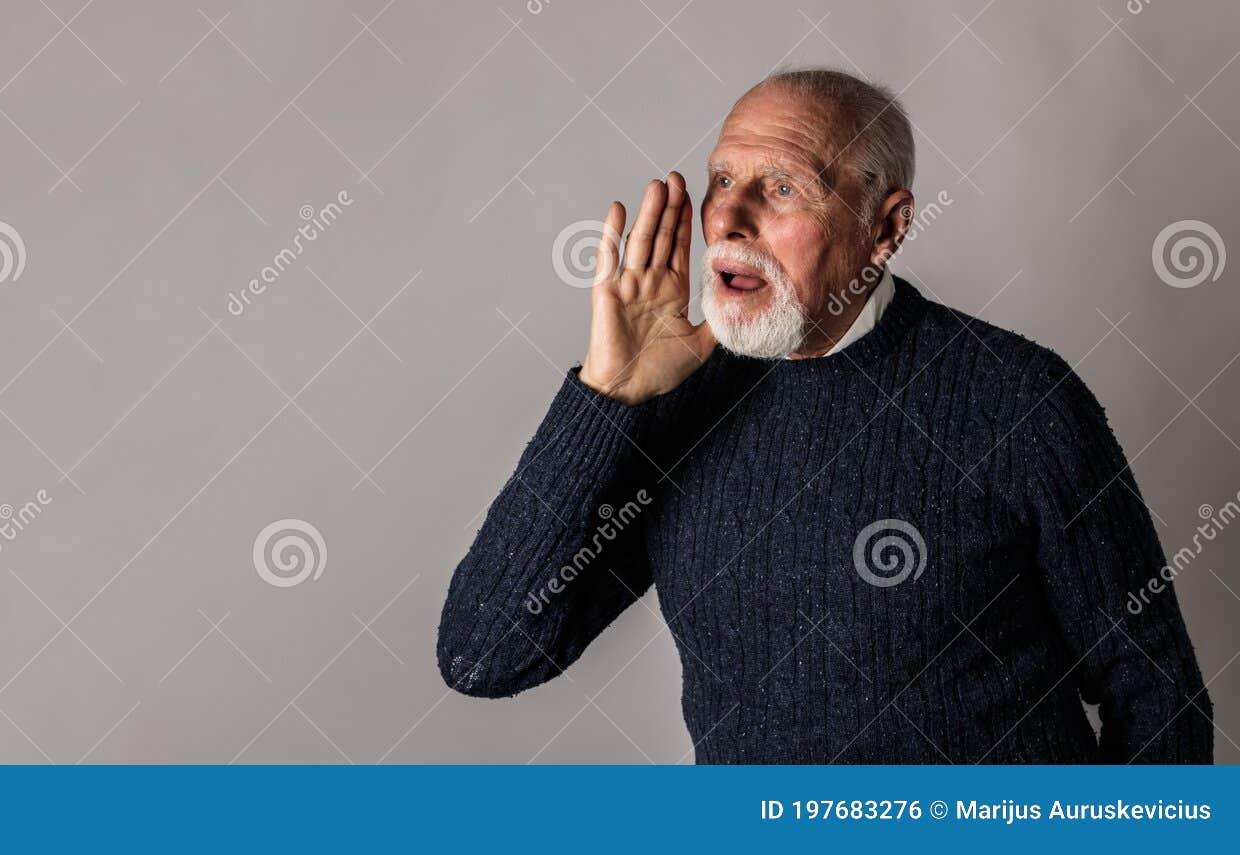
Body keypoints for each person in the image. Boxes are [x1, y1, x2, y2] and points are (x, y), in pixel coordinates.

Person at [436, 67, 1213, 763]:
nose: (727, 220)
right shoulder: (679, 403)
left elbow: (1155, 687)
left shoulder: (1018, 399)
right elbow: (484, 655)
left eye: (781, 189)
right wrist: (607, 396)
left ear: (886, 226)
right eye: (722, 181)